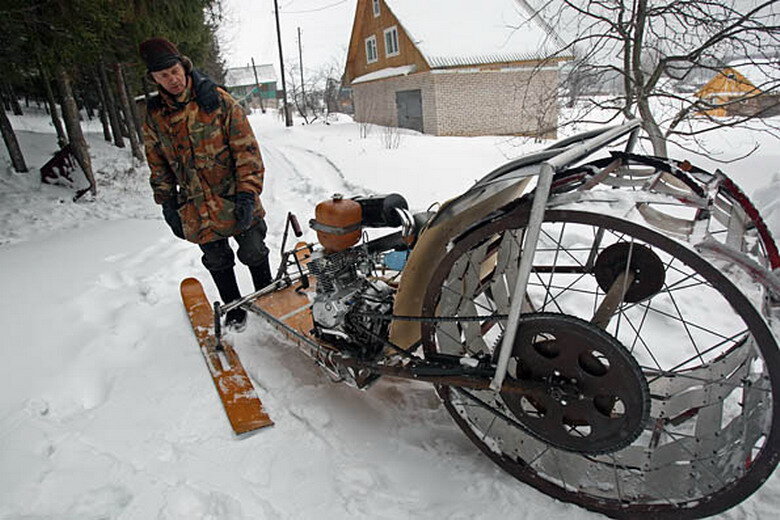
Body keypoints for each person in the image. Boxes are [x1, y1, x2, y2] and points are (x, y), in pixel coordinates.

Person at [139, 37, 272, 331]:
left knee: (253, 248)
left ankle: (269, 299)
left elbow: (246, 150)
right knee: (216, 257)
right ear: (154, 79)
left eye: (174, 71)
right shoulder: (155, 116)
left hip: (233, 197)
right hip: (195, 205)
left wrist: (248, 195)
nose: (172, 80)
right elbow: (156, 161)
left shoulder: (218, 101)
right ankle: (234, 308)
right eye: (163, 76)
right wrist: (167, 203)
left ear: (183, 67)